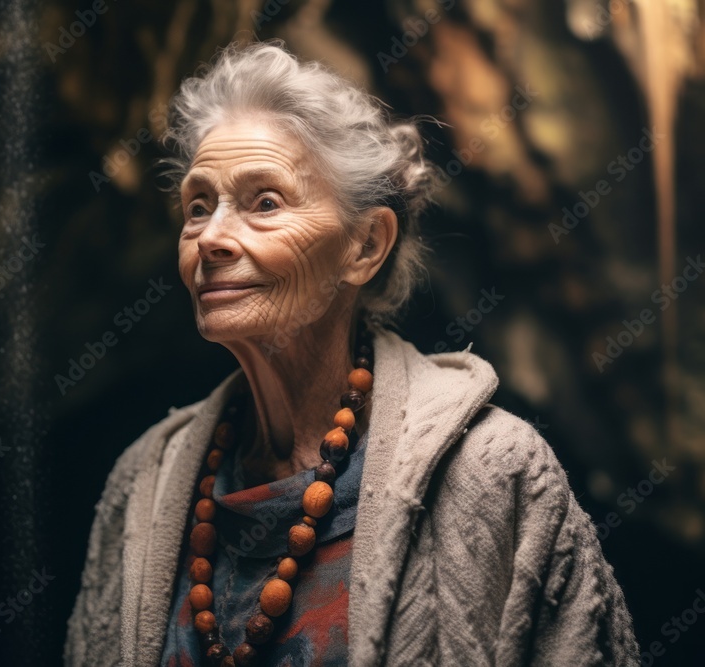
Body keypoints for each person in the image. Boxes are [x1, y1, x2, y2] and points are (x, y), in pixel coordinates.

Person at [65, 40, 639, 666]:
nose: (212, 239)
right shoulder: (141, 484)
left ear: (364, 246)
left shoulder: (493, 473)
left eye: (265, 203)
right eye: (198, 207)